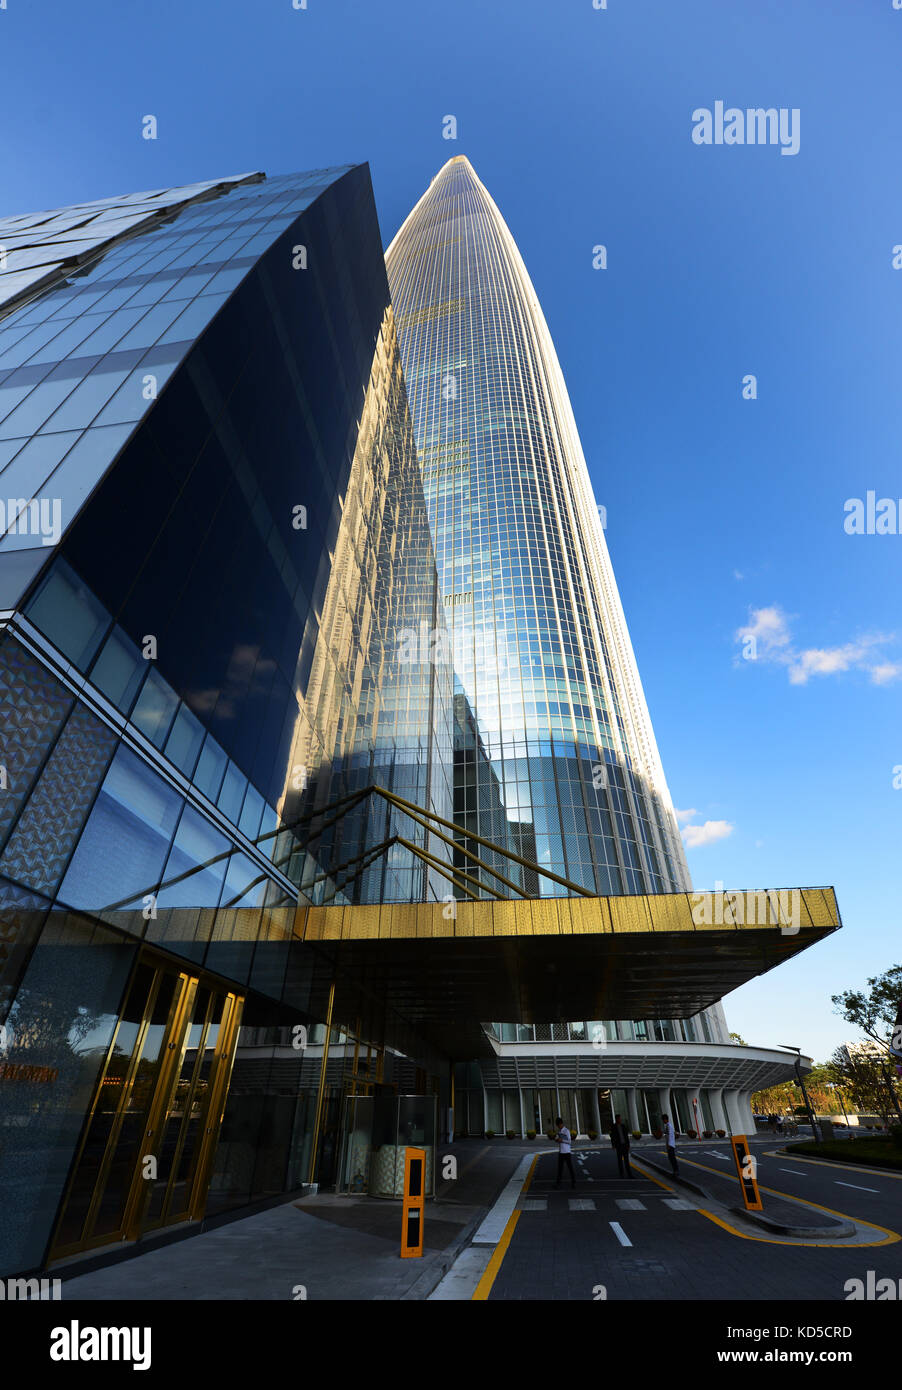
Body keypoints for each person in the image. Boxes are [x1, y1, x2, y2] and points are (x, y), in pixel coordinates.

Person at [553, 1117, 576, 1189]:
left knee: (570, 1167)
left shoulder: (566, 1131)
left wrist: (561, 1140)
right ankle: (558, 1184)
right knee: (560, 1168)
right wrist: (557, 1140)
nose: (558, 1126)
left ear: (561, 1124)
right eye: (557, 1125)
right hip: (561, 1152)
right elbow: (556, 1139)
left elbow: (569, 1141)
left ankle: (573, 1182)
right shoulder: (559, 1132)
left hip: (567, 1152)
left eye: (559, 1125)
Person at [610, 1113, 633, 1178]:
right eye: (618, 1118)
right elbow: (612, 1136)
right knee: (620, 1160)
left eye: (620, 1118)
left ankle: (629, 1174)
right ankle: (622, 1174)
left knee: (626, 1160)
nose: (619, 1119)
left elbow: (626, 1136)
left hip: (624, 1145)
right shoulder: (614, 1127)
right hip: (619, 1145)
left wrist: (628, 1145)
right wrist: (613, 1145)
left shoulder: (623, 1126)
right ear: (616, 1119)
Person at [662, 1113, 679, 1177]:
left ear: (666, 1119)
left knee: (672, 1158)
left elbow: (670, 1136)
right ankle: (675, 1170)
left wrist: (668, 1144)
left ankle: (676, 1171)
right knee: (671, 1158)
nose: (663, 1121)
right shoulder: (668, 1126)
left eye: (663, 1120)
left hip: (670, 1144)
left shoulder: (669, 1126)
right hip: (670, 1144)